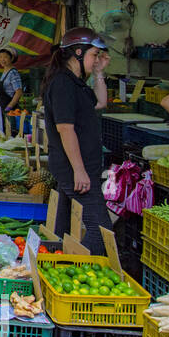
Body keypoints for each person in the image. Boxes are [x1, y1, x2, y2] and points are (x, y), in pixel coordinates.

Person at [42, 27, 113, 253]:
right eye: (94, 56)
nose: (96, 60)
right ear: (78, 53)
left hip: (78, 169)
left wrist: (99, 71)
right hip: (74, 169)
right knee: (101, 232)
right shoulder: (62, 83)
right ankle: (80, 272)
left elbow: (101, 102)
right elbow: (65, 129)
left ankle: (55, 263)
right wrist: (79, 170)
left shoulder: (76, 83)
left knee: (62, 227)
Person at [0, 46, 25, 132]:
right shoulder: (5, 72)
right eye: (0, 57)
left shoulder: (13, 73)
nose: (2, 59)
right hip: (1, 107)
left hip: (8, 110)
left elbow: (18, 92)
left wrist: (10, 106)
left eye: (5, 57)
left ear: (12, 58)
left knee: (7, 132)